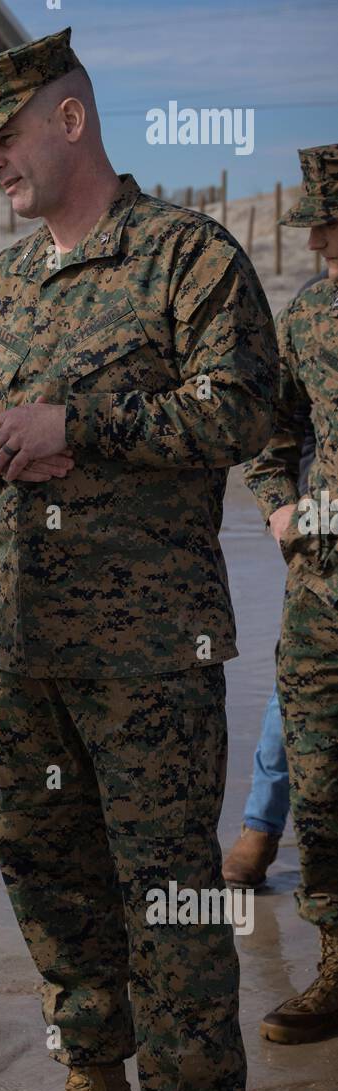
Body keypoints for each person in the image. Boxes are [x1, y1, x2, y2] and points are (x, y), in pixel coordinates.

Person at [0, 28, 278, 1091]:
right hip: (25, 643)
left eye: (2, 140)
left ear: (68, 120)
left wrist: (89, 422)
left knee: (165, 885)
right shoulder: (4, 281)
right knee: (46, 863)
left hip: (149, 652)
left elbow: (241, 406)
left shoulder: (190, 257)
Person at [243, 146, 338, 1045]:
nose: (313, 238)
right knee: (320, 775)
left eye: (326, 220)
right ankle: (334, 966)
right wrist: (278, 504)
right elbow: (270, 429)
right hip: (321, 590)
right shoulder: (307, 318)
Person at [223, 345, 321, 891]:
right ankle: (259, 830)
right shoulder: (317, 308)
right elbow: (280, 428)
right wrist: (284, 509)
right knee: (295, 688)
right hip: (325, 542)